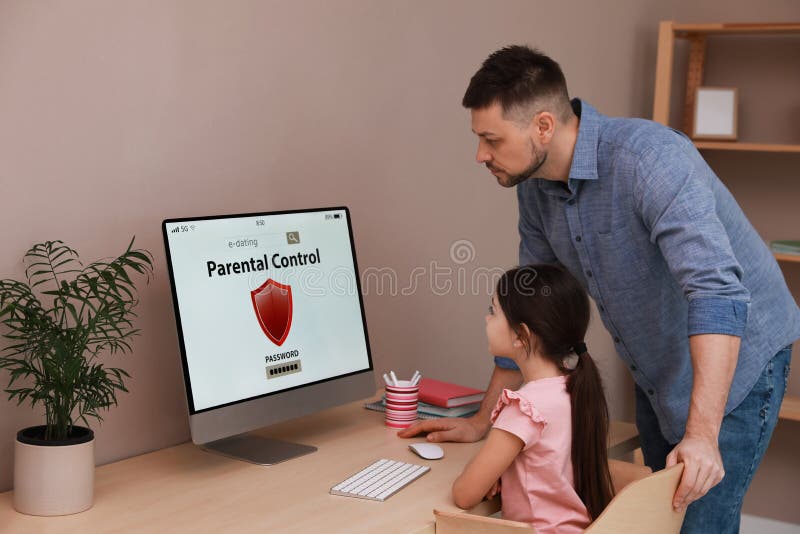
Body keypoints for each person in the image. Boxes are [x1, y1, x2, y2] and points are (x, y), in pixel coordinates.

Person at [400, 45, 800, 533]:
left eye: (491, 139)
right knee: (653, 520)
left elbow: (717, 295)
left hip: (739, 354)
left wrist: (701, 435)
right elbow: (530, 316)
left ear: (543, 126)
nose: (480, 154)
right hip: (660, 364)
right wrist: (484, 421)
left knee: (698, 523)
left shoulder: (651, 161)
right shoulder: (535, 188)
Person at [452, 265, 612, 533]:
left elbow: (465, 493)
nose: (486, 319)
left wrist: (485, 473)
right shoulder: (574, 387)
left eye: (494, 311)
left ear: (521, 335)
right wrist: (502, 471)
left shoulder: (524, 407)